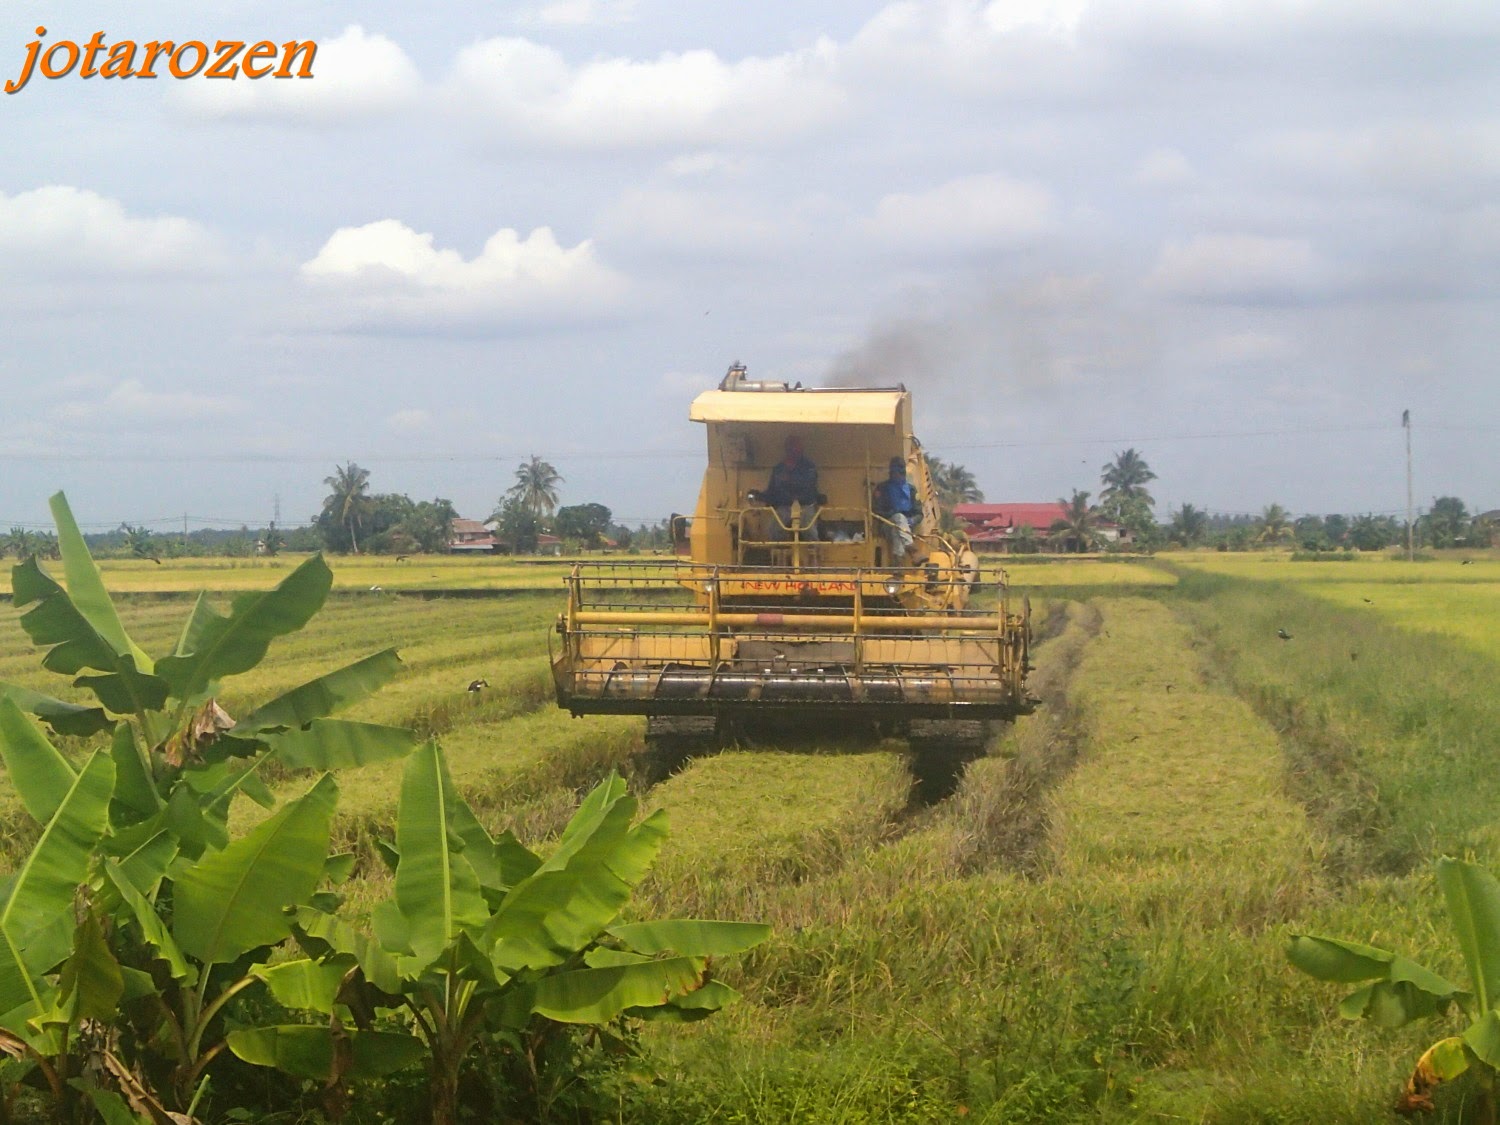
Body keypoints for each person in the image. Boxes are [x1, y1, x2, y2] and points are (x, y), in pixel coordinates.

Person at [755, 435, 820, 540]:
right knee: (773, 529)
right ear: (786, 449)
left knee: (810, 532)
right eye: (791, 447)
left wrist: (789, 481)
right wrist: (760, 496)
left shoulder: (809, 467)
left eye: (796, 447)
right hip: (784, 506)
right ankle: (780, 549)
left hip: (805, 505)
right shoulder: (779, 469)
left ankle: (814, 549)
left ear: (801, 449)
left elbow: (809, 486)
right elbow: (772, 490)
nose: (793, 450)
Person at [874, 456, 920, 562]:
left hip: (906, 528)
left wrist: (912, 520)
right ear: (891, 473)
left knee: (897, 531)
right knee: (898, 518)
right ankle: (912, 550)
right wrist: (892, 514)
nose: (898, 475)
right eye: (895, 472)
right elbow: (877, 511)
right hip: (886, 525)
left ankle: (898, 565)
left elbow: (919, 513)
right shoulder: (882, 488)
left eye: (900, 473)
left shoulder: (911, 490)